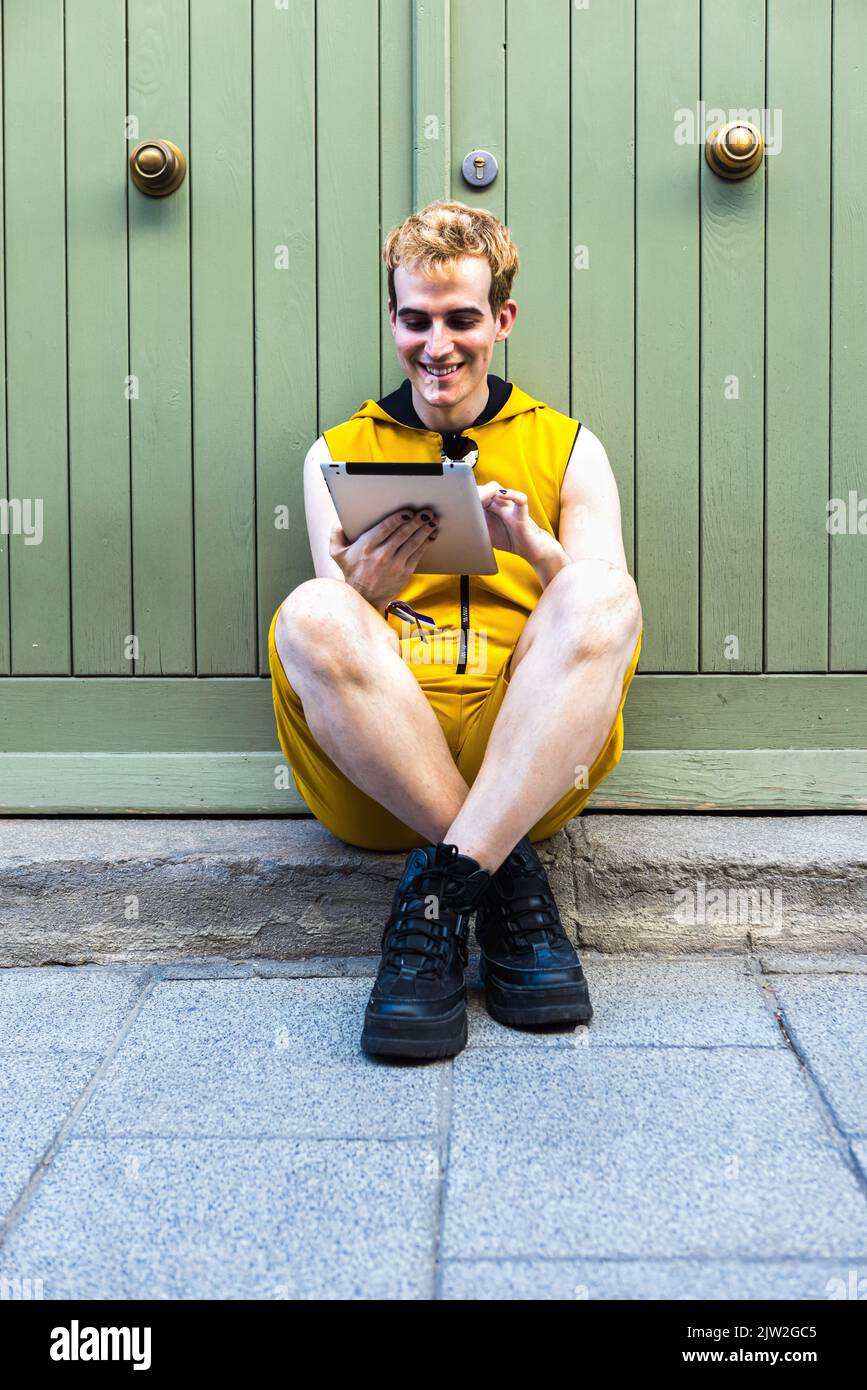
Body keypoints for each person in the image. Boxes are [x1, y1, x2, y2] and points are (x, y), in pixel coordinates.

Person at [268, 201, 642, 1061]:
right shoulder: (336, 453)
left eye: (461, 319)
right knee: (313, 610)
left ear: (501, 320)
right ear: (394, 318)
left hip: (533, 761)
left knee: (603, 593)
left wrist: (536, 550)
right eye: (415, 319)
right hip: (379, 774)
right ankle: (507, 884)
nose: (436, 345)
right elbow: (335, 652)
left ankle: (433, 914)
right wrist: (364, 591)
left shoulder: (569, 447)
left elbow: (602, 621)